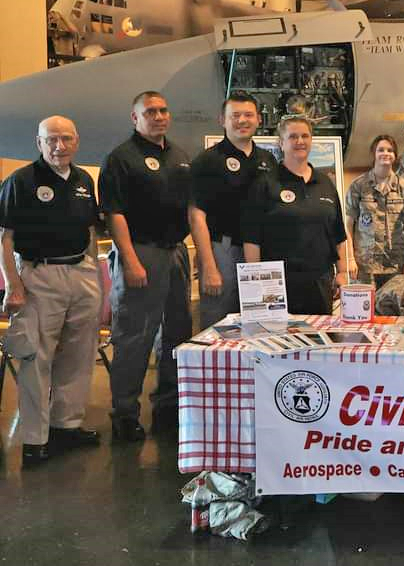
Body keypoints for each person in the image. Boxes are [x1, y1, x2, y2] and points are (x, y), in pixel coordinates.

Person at [0, 116, 103, 465]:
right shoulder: (21, 181)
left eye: (66, 139)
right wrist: (14, 286)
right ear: (39, 143)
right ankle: (34, 440)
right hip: (39, 274)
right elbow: (5, 238)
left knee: (79, 353)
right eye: (51, 140)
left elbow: (90, 229)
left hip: (81, 271)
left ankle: (66, 426)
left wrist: (92, 272)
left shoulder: (83, 179)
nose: (59, 146)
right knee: (36, 358)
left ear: (76, 142)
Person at [99, 91, 193, 440]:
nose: (158, 116)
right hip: (141, 253)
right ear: (135, 118)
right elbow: (114, 213)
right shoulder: (121, 158)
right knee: (134, 336)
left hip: (176, 253)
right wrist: (130, 260)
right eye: (149, 111)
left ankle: (167, 405)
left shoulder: (180, 156)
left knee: (176, 332)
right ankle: (124, 413)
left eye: (163, 110)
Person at [243, 117, 348, 315]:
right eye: (292, 136)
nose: (300, 141)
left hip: (320, 280)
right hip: (277, 283)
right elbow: (251, 239)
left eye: (305, 136)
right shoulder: (265, 184)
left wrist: (342, 272)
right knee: (276, 342)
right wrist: (256, 284)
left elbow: (338, 234)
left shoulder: (325, 183)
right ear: (281, 143)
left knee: (318, 342)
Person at [188, 91, 276, 329]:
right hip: (224, 252)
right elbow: (197, 216)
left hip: (261, 255)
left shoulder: (269, 160)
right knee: (219, 327)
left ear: (259, 119)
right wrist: (209, 266)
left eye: (248, 115)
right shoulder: (207, 161)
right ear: (222, 120)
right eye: (235, 115)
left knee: (261, 325)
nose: (242, 120)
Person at [345, 135, 404, 287]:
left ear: (395, 155)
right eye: (381, 150)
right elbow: (349, 224)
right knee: (364, 309)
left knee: (391, 308)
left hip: (395, 263)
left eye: (390, 150)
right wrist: (350, 258)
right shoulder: (358, 186)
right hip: (364, 264)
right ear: (374, 154)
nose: (386, 153)